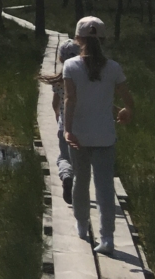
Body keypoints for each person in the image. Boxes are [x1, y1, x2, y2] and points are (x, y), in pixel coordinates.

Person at [62, 16, 134, 254]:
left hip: (79, 136)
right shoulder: (113, 67)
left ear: (77, 38)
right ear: (102, 39)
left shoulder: (70, 66)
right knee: (104, 187)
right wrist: (127, 111)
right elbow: (126, 97)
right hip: (105, 136)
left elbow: (70, 100)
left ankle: (82, 226)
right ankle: (107, 239)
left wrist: (67, 129)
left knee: (80, 182)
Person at [42, 37, 81, 204]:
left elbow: (55, 103)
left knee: (64, 157)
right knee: (81, 160)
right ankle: (79, 188)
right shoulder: (83, 80)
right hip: (82, 126)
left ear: (60, 58)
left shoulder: (59, 80)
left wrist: (58, 116)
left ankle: (66, 176)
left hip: (65, 126)